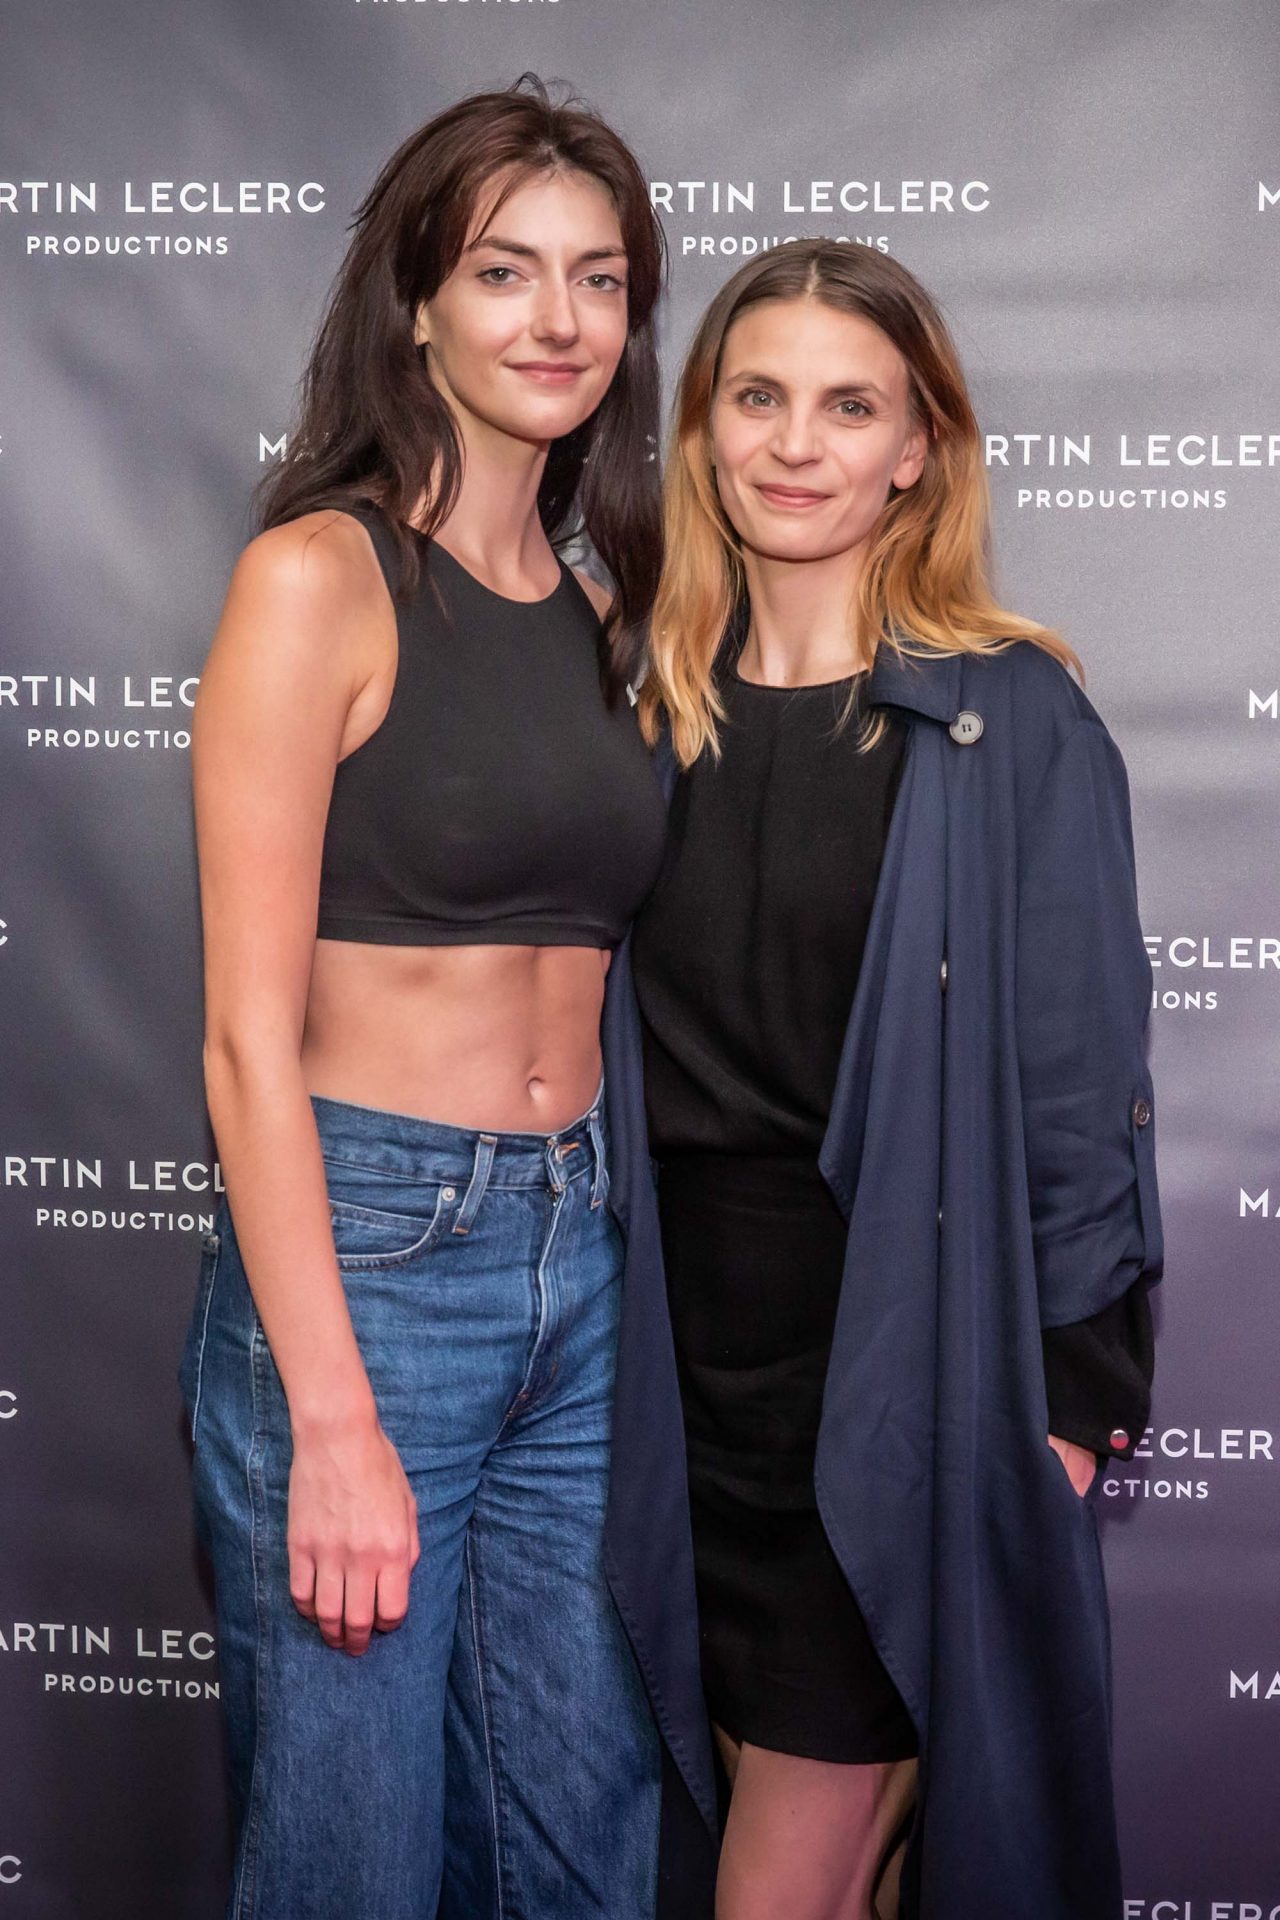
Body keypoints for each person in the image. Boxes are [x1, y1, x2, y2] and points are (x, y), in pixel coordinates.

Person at [601, 239, 1162, 1919]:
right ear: (701, 428)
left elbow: (1081, 1096)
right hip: (662, 1403)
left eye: (851, 408)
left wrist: (1062, 1422)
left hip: (901, 1405)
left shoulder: (1012, 722)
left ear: (919, 449)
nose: (796, 444)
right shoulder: (634, 709)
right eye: (758, 397)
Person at [177, 75, 670, 1920]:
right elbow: (248, 1039)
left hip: (582, 1263)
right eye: (504, 272)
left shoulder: (607, 611)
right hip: (374, 1263)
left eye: (599, 279)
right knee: (351, 1855)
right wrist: (329, 1416)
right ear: (416, 307)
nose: (559, 320)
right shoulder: (318, 579)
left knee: (582, 1844)